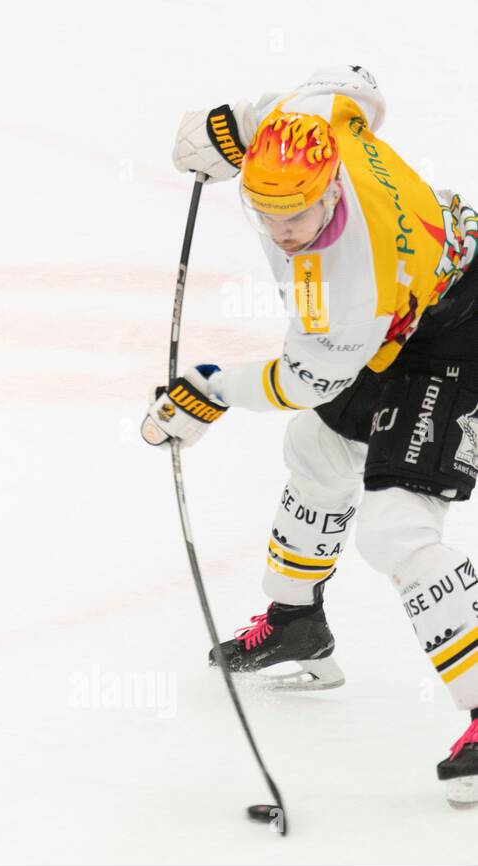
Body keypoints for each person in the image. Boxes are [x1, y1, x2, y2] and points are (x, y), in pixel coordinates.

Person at [145, 66, 478, 807]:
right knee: (317, 453)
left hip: (454, 329)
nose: (282, 233)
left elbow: (310, 380)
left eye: (295, 215)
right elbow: (355, 84)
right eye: (264, 212)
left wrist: (208, 393)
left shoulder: (343, 288)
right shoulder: (311, 122)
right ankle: (298, 624)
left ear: (330, 187)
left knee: (397, 526)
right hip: (415, 302)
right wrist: (227, 126)